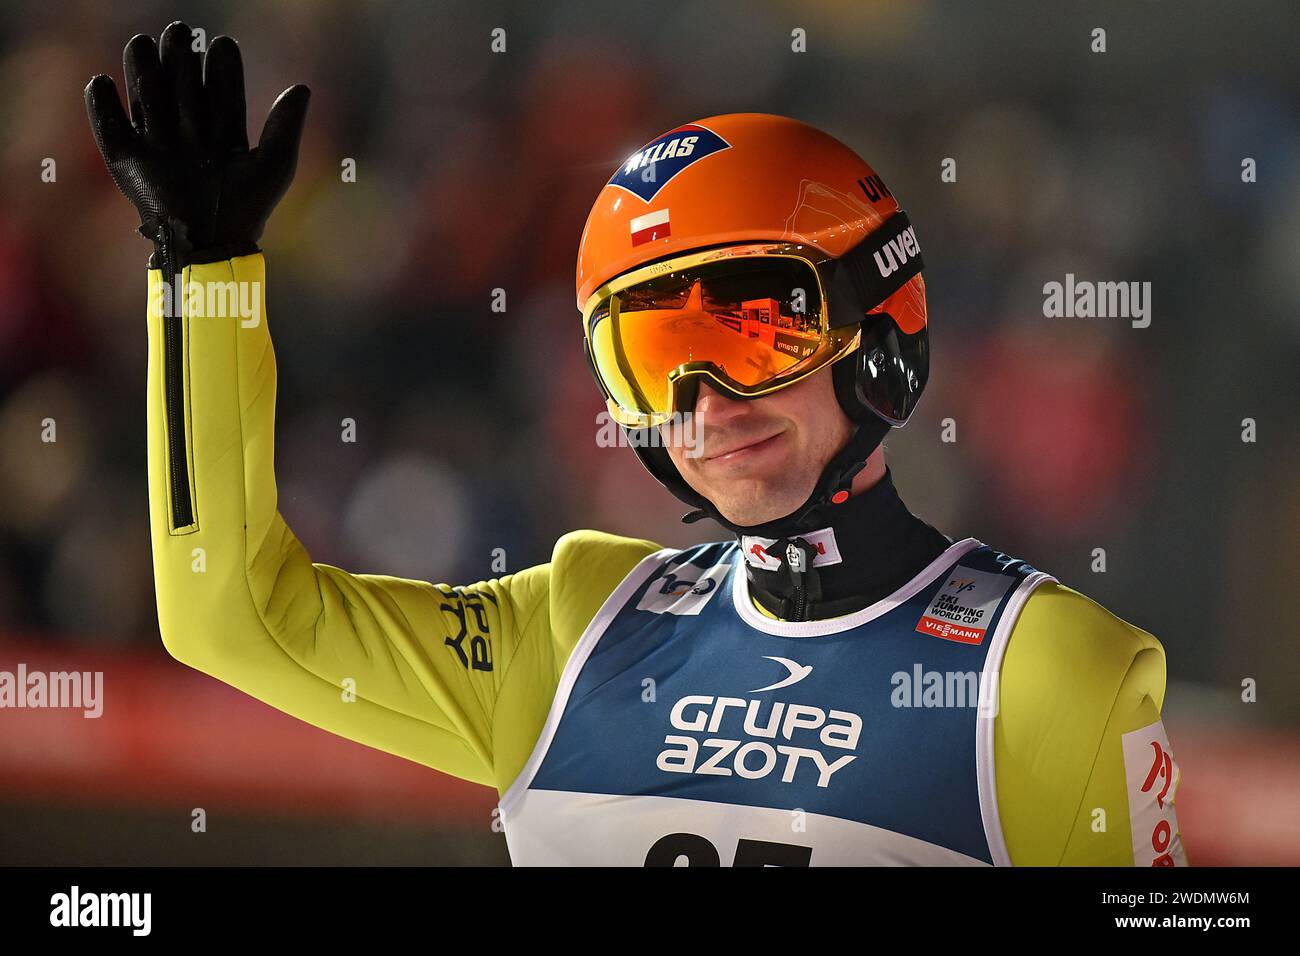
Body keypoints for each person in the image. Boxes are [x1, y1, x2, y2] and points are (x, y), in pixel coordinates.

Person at [85, 22, 1187, 866]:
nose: (705, 404)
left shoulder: (1046, 673)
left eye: (757, 329)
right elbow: (225, 609)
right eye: (652, 360)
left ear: (880, 321)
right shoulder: (573, 628)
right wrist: (202, 276)